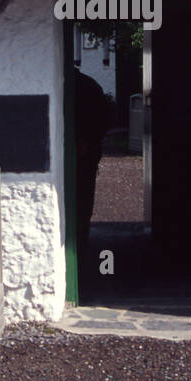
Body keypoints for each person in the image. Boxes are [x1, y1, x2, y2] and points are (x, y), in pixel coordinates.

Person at [74, 69, 112, 273]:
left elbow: (103, 119)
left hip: (83, 153)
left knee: (80, 204)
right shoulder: (90, 85)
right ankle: (79, 251)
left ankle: (78, 253)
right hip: (87, 154)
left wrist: (86, 139)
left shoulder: (82, 86)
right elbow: (106, 118)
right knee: (83, 204)